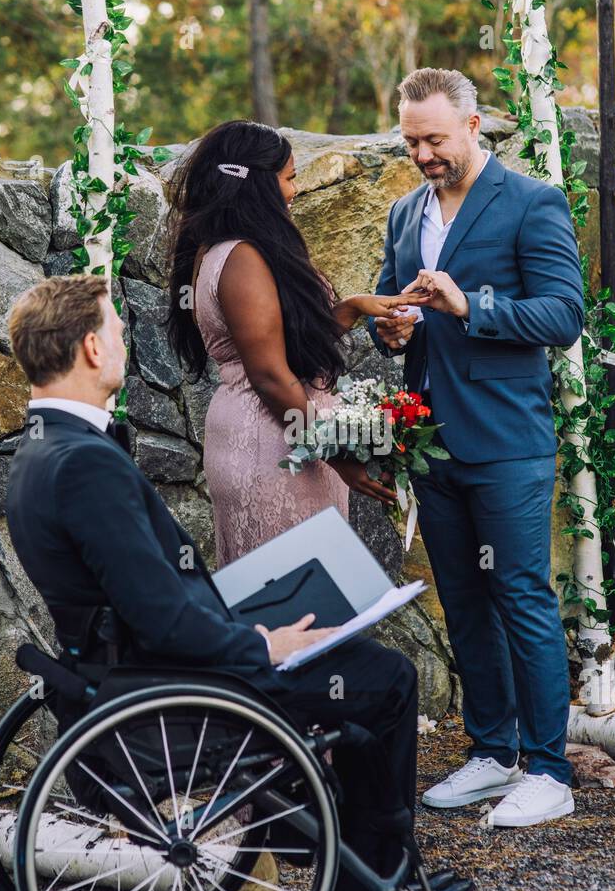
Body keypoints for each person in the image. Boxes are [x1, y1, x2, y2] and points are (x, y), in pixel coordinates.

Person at [4, 274, 469, 891]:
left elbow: (145, 600)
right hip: (173, 688)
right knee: (385, 678)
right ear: (92, 349)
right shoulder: (83, 464)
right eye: (117, 331)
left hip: (130, 670)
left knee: (350, 654)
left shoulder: (40, 450)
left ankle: (356, 872)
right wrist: (261, 644)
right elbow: (162, 618)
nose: (124, 342)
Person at [368, 67, 585, 828]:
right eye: (410, 142)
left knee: (521, 598)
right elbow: (392, 307)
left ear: (473, 125)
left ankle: (550, 771)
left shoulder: (532, 202)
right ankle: (494, 753)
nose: (422, 155)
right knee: (463, 601)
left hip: (506, 440)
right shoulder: (404, 212)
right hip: (433, 443)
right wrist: (391, 329)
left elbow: (563, 315)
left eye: (433, 139)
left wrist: (471, 305)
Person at [165, 120, 429, 564]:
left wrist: (351, 308)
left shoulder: (224, 248)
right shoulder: (243, 258)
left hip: (286, 435)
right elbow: (270, 374)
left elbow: (280, 347)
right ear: (259, 183)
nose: (295, 189)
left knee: (297, 587)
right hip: (273, 444)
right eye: (289, 178)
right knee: (294, 587)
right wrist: (338, 454)